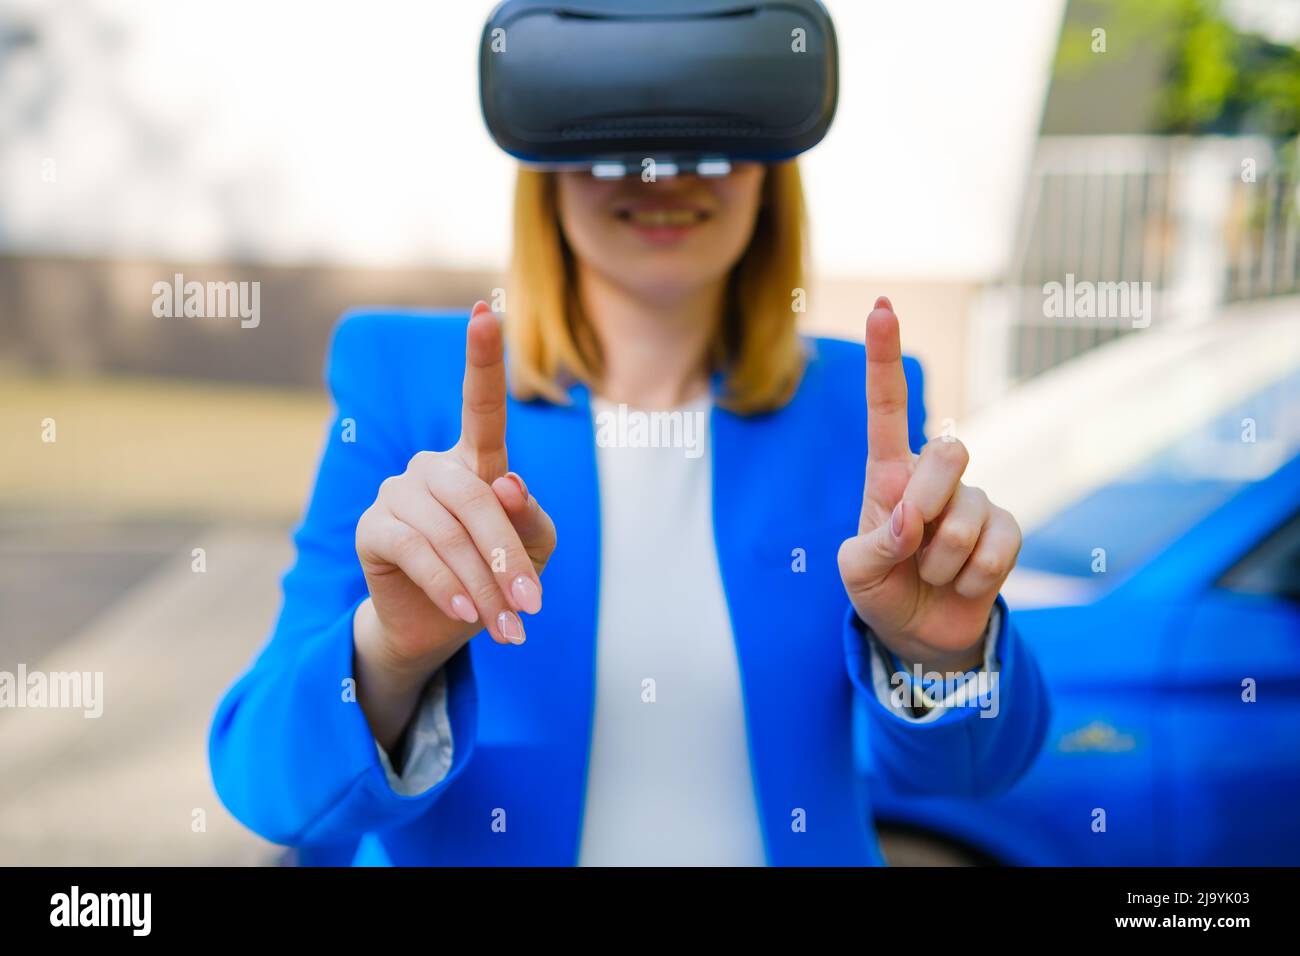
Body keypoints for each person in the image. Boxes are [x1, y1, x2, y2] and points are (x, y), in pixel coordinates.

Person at [209, 160, 1050, 865]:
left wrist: (939, 659)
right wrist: (390, 656)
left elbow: (970, 775)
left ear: (770, 161)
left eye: (712, 133)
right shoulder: (408, 379)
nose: (663, 169)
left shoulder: (854, 406)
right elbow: (268, 782)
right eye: (614, 132)